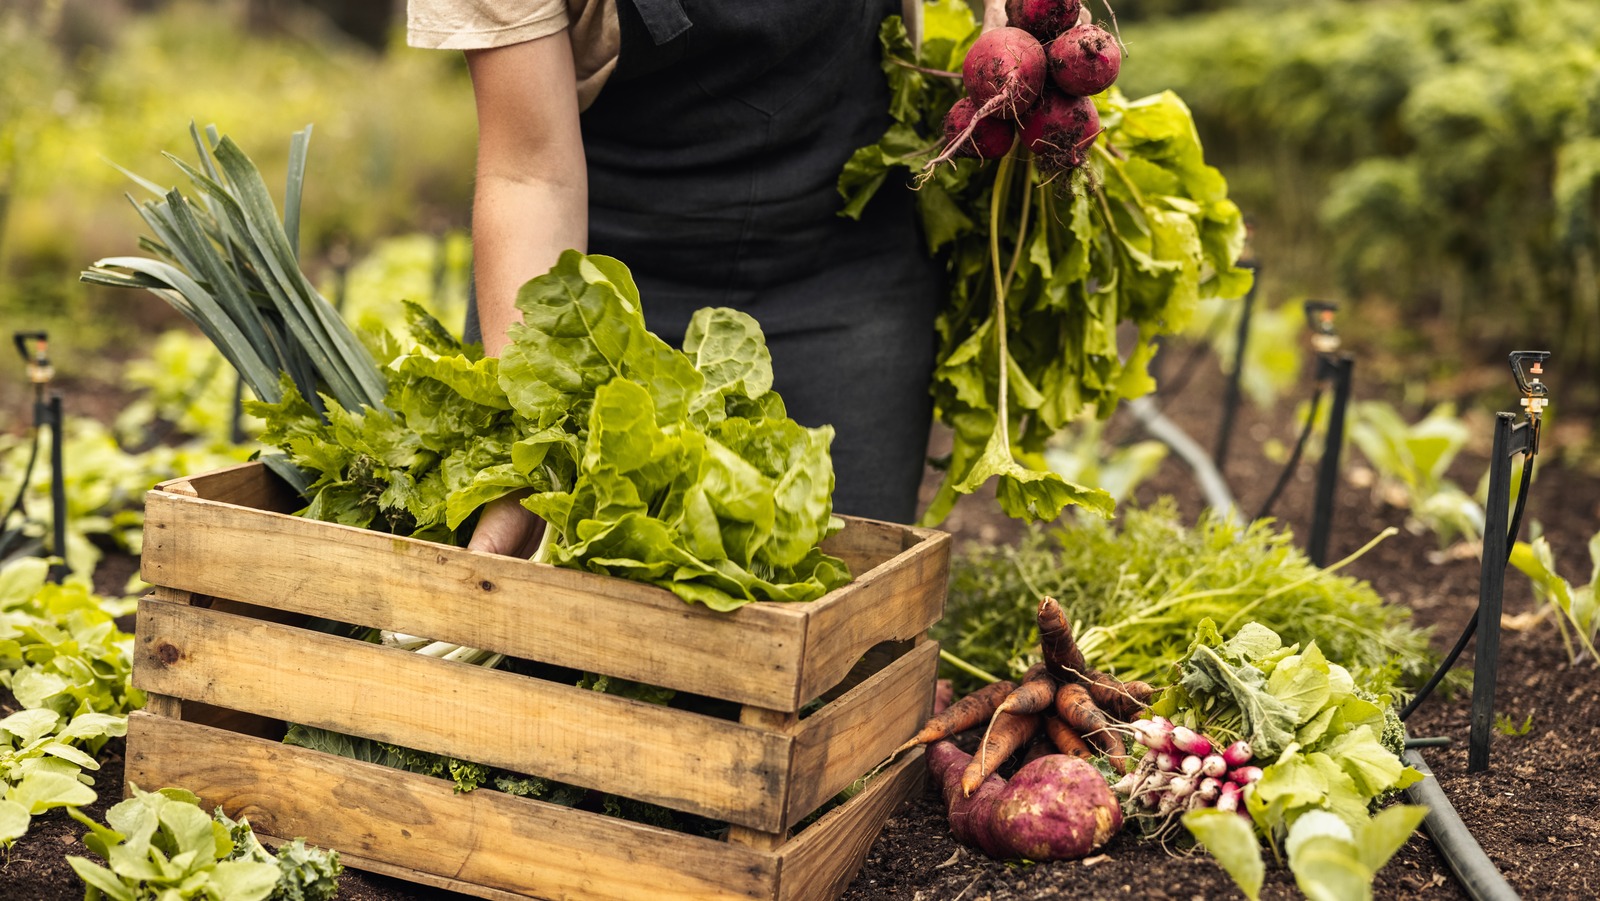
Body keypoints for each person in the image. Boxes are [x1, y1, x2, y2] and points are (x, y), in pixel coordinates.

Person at [407, 0, 961, 555]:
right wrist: (527, 445)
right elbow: (530, 176)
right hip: (602, 299)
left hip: (844, 260)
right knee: (570, 621)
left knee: (849, 607)